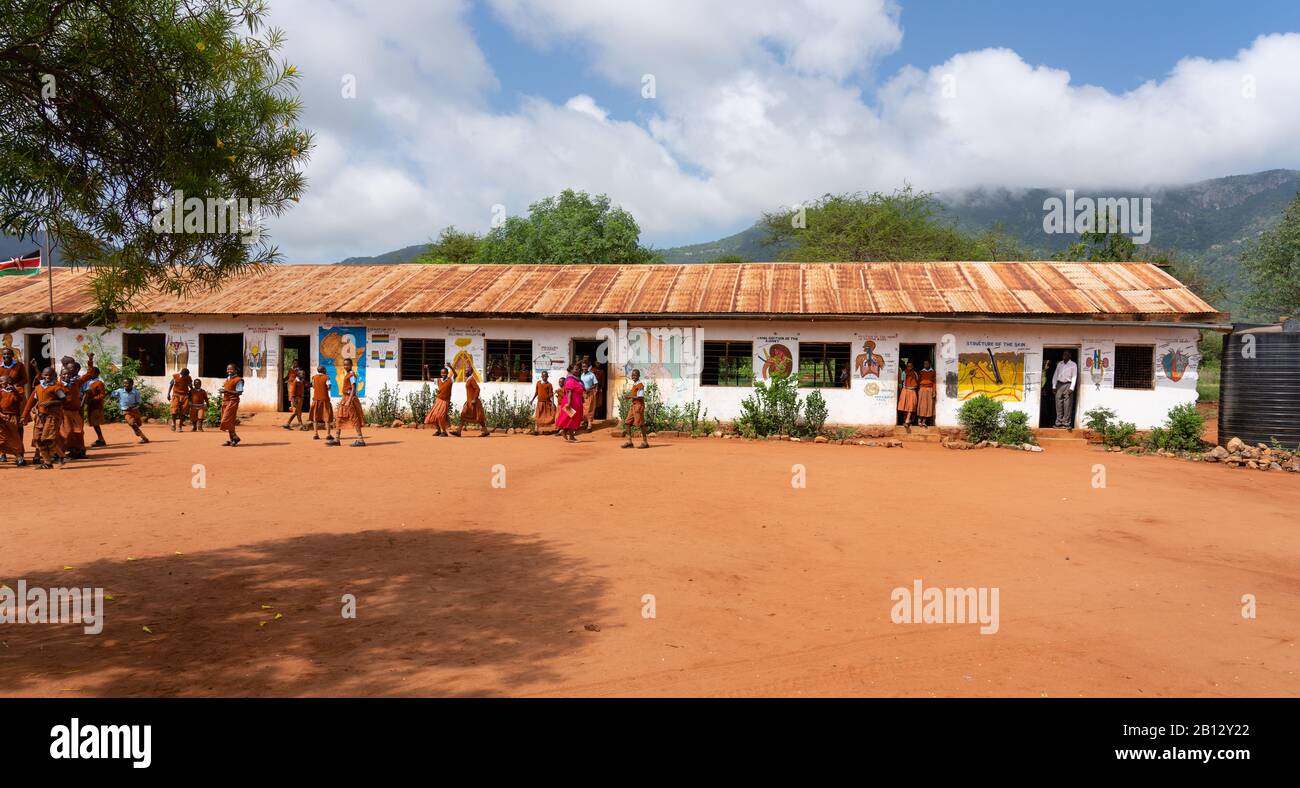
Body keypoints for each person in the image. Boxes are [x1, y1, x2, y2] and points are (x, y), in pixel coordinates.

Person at [21, 367, 67, 469]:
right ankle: (47, 462)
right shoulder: (38, 388)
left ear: (54, 376)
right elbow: (30, 402)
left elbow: (64, 400)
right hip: (40, 417)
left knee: (48, 438)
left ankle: (61, 456)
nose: (47, 377)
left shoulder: (56, 388)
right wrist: (24, 415)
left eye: (50, 375)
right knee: (38, 439)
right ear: (42, 375)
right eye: (45, 375)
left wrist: (52, 402)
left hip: (52, 416)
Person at [58, 357, 93, 459]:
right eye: (66, 372)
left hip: (76, 411)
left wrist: (90, 360)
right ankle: (60, 453)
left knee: (78, 431)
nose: (68, 373)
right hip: (64, 412)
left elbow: (89, 374)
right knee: (66, 433)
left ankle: (79, 451)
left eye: (71, 370)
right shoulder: (58, 384)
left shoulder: (76, 382)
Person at [336, 358, 366, 447]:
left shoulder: (352, 375)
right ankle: (337, 438)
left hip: (350, 399)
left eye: (347, 365)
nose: (346, 366)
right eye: (344, 365)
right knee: (339, 417)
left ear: (351, 365)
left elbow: (354, 388)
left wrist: (349, 400)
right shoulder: (347, 374)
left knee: (354, 417)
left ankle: (360, 439)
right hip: (345, 398)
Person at [453, 363, 489, 438]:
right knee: (464, 415)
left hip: (473, 402)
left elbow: (477, 389)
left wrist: (474, 399)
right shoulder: (468, 379)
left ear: (470, 372)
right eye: (465, 370)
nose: (465, 371)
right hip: (469, 401)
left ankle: (485, 431)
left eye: (467, 370)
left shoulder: (471, 379)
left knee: (478, 417)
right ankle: (459, 431)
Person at [109, 378, 149, 444]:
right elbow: (112, 394)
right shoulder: (120, 391)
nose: (125, 385)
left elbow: (138, 402)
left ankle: (136, 428)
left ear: (132, 384)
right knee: (132, 423)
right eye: (124, 383)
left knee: (138, 424)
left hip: (135, 410)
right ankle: (144, 438)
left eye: (127, 383)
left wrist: (133, 406)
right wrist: (111, 394)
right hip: (126, 411)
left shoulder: (135, 392)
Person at [0, 375, 27, 466]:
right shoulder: (0, 392)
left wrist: (14, 391)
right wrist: (1, 414)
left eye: (2, 381)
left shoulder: (18, 389)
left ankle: (19, 457)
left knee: (15, 438)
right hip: (2, 417)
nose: (0, 383)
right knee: (2, 438)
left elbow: (19, 399)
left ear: (9, 381)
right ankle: (2, 454)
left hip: (13, 417)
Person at [554, 363, 585, 442]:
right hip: (571, 401)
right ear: (571, 370)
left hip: (576, 401)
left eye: (578, 369)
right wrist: (569, 403)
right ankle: (571, 436)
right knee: (571, 418)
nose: (578, 370)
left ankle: (564, 431)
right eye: (576, 369)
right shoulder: (570, 379)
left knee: (571, 418)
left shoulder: (576, 379)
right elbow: (569, 392)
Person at [621, 369, 649, 449]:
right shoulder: (635, 384)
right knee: (627, 422)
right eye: (632, 375)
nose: (633, 377)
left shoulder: (640, 385)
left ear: (639, 376)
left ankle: (645, 442)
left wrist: (629, 396)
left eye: (635, 375)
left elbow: (640, 397)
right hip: (633, 405)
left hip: (638, 405)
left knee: (641, 423)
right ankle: (629, 442)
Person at [308, 365, 336, 443]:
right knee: (327, 417)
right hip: (325, 400)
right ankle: (328, 434)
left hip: (316, 399)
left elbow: (313, 386)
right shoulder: (327, 377)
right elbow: (329, 386)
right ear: (323, 370)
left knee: (315, 418)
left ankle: (316, 434)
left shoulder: (314, 377)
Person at [423, 364, 453, 436]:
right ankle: (438, 430)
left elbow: (456, 374)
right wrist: (427, 369)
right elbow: (429, 378)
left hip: (445, 401)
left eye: (445, 373)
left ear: (447, 373)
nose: (443, 374)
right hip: (438, 400)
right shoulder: (438, 380)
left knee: (441, 416)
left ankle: (444, 432)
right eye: (442, 373)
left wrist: (451, 367)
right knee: (434, 415)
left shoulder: (450, 380)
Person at [1052, 350, 1078, 428]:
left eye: (1067, 354)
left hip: (1068, 384)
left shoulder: (1073, 364)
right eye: (1063, 354)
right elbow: (1055, 375)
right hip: (1059, 384)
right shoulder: (1060, 364)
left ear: (1070, 356)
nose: (1065, 355)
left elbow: (1074, 376)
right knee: (1058, 404)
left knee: (1067, 404)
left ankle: (1066, 423)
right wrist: (1054, 386)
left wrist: (1072, 388)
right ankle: (1058, 422)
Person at [83, 364, 108, 447]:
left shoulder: (99, 383)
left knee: (95, 423)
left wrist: (93, 399)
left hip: (96, 406)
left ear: (97, 374)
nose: (90, 374)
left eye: (92, 372)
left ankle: (101, 439)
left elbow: (102, 395)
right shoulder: (88, 382)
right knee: (94, 423)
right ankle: (100, 438)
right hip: (90, 406)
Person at [219, 363, 244, 446]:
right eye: (228, 369)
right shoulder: (228, 379)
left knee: (225, 420)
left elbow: (239, 392)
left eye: (231, 369)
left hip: (233, 402)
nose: (229, 371)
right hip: (225, 401)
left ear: (235, 370)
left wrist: (226, 391)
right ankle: (233, 439)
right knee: (229, 421)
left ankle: (235, 437)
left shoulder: (238, 380)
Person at [166, 367, 192, 432]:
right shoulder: (175, 377)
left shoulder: (188, 378)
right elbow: (171, 385)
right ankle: (173, 423)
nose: (185, 377)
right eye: (184, 376)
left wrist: (192, 392)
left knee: (184, 411)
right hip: (176, 395)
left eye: (186, 376)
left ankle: (180, 426)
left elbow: (190, 386)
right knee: (174, 410)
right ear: (182, 374)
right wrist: (168, 394)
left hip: (185, 395)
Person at [283, 362, 306, 430]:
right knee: (296, 412)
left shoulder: (301, 381)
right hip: (296, 399)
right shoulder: (295, 382)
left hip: (300, 398)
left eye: (304, 374)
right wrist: (293, 399)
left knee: (298, 412)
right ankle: (288, 423)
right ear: (298, 375)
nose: (304, 375)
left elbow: (306, 385)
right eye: (302, 374)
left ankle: (300, 425)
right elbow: (292, 391)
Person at [897, 360, 919, 430]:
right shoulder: (903, 373)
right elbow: (901, 382)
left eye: (910, 366)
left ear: (912, 367)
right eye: (908, 366)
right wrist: (901, 391)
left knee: (911, 407)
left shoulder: (915, 373)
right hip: (905, 390)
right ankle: (905, 421)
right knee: (905, 407)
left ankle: (907, 421)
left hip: (912, 391)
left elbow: (917, 382)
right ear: (906, 366)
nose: (909, 367)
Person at [916, 359, 937, 427]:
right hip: (922, 389)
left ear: (930, 364)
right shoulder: (921, 372)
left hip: (929, 389)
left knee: (928, 405)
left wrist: (934, 391)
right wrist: (919, 390)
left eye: (927, 363)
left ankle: (924, 422)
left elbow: (934, 382)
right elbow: (918, 382)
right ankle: (919, 421)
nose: (925, 365)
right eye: (924, 364)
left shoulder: (933, 372)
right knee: (921, 405)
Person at [580, 361, 599, 431]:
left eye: (585, 367)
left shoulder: (592, 375)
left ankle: (589, 425)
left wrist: (590, 389)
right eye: (583, 367)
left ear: (588, 367)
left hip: (590, 394)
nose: (584, 368)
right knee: (583, 409)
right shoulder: (582, 375)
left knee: (589, 409)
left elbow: (596, 384)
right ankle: (585, 422)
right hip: (583, 394)